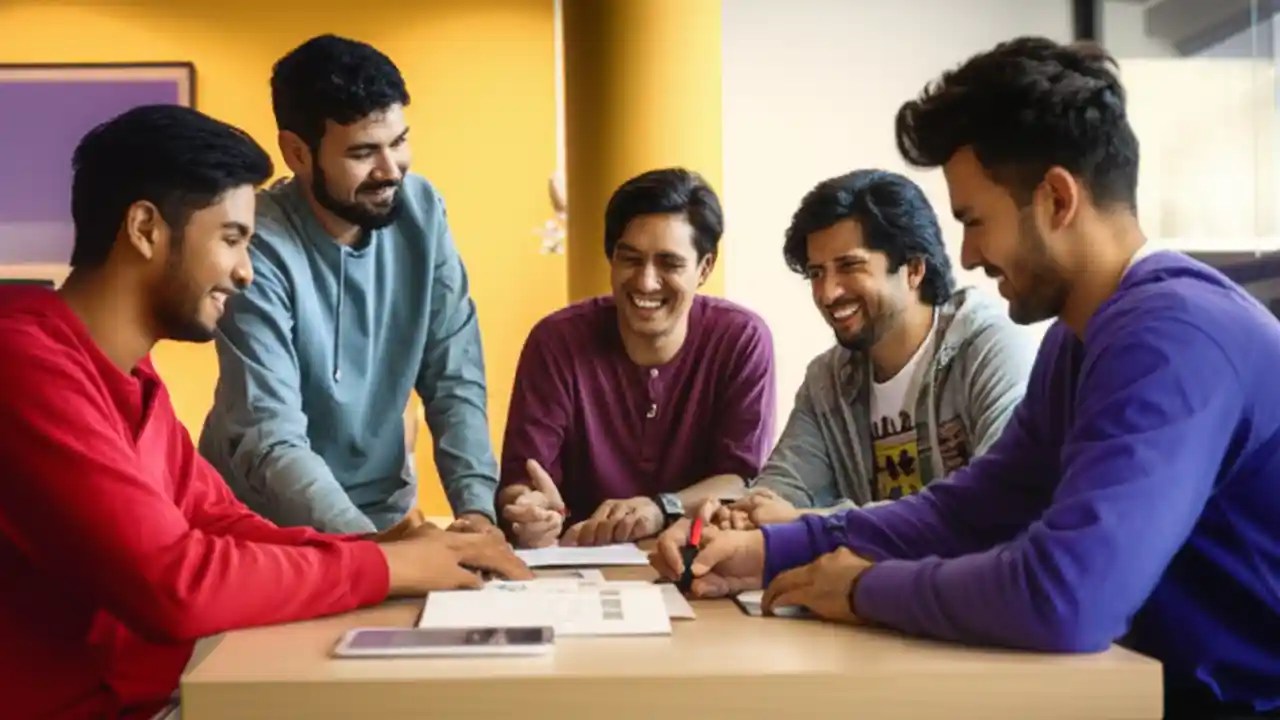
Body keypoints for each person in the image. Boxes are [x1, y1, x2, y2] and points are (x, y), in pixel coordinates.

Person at [653, 37, 1280, 718]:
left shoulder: (1171, 337)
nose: (970, 255)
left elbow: (1066, 596)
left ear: (1057, 199)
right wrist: (771, 550)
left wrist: (865, 590)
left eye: (974, 222)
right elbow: (972, 509)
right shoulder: (1081, 340)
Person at [0, 105, 530, 720]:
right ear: (146, 229)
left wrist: (378, 547)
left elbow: (218, 520)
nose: (246, 273)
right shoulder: (24, 365)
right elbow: (175, 583)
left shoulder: (133, 378)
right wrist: (384, 567)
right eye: (231, 239)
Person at [199, 34, 500, 536]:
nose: (390, 171)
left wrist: (477, 512)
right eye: (363, 152)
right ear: (297, 152)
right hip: (265, 527)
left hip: (385, 520)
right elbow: (271, 436)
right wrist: (373, 555)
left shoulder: (423, 211)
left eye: (399, 143)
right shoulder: (255, 244)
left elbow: (454, 376)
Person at [694, 169, 1033, 531]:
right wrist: (730, 520)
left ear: (914, 269)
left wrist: (807, 521)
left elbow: (998, 506)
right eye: (816, 273)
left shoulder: (990, 347)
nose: (827, 293)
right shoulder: (828, 381)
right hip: (870, 585)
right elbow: (779, 492)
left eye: (849, 266)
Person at [497, 168, 776, 548]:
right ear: (611, 258)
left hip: (698, 560)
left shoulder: (741, 340)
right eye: (630, 259)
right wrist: (527, 512)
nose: (646, 281)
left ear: (705, 268)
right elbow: (522, 479)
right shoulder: (556, 341)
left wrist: (661, 508)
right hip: (577, 564)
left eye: (669, 263)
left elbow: (741, 480)